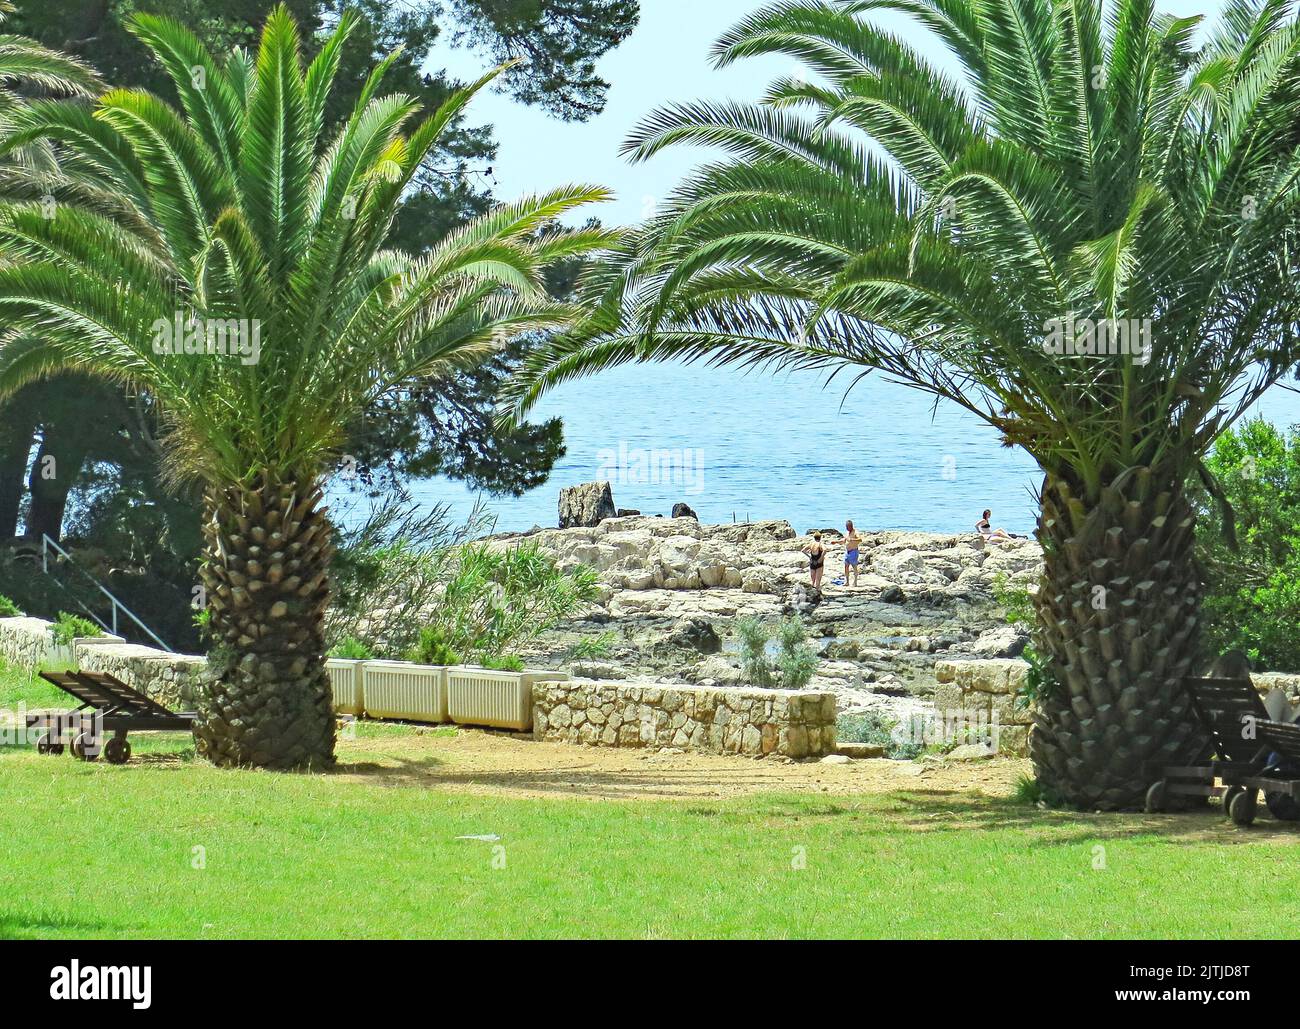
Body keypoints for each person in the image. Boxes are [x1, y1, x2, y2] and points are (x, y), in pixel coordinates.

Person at [843, 520, 862, 586]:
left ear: (851, 526)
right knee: (846, 566)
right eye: (846, 527)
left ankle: (855, 582)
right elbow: (844, 541)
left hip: (853, 551)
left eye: (848, 527)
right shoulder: (847, 532)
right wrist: (836, 542)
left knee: (854, 567)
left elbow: (860, 539)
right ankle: (847, 581)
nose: (847, 528)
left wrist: (852, 539)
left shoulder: (855, 532)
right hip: (847, 552)